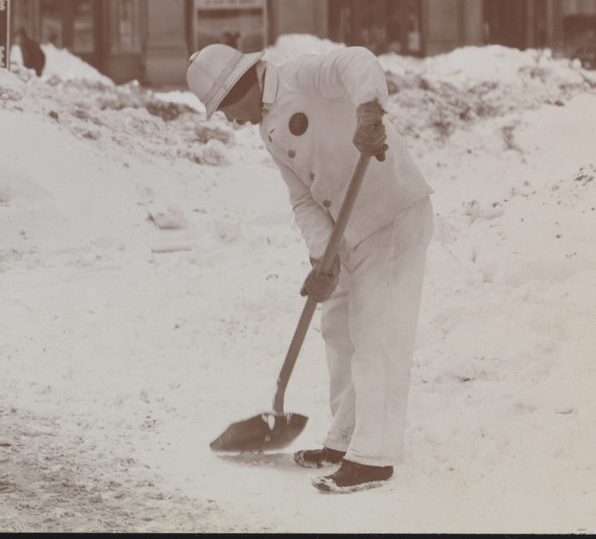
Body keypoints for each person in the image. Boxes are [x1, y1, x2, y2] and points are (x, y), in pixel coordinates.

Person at [186, 42, 434, 495]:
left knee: (379, 335)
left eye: (223, 108)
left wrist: (368, 112)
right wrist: (324, 260)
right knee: (339, 332)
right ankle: (344, 441)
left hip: (391, 212)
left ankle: (374, 458)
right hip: (347, 232)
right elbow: (302, 197)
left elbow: (358, 61)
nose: (228, 119)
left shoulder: (301, 76)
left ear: (240, 87)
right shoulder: (267, 130)